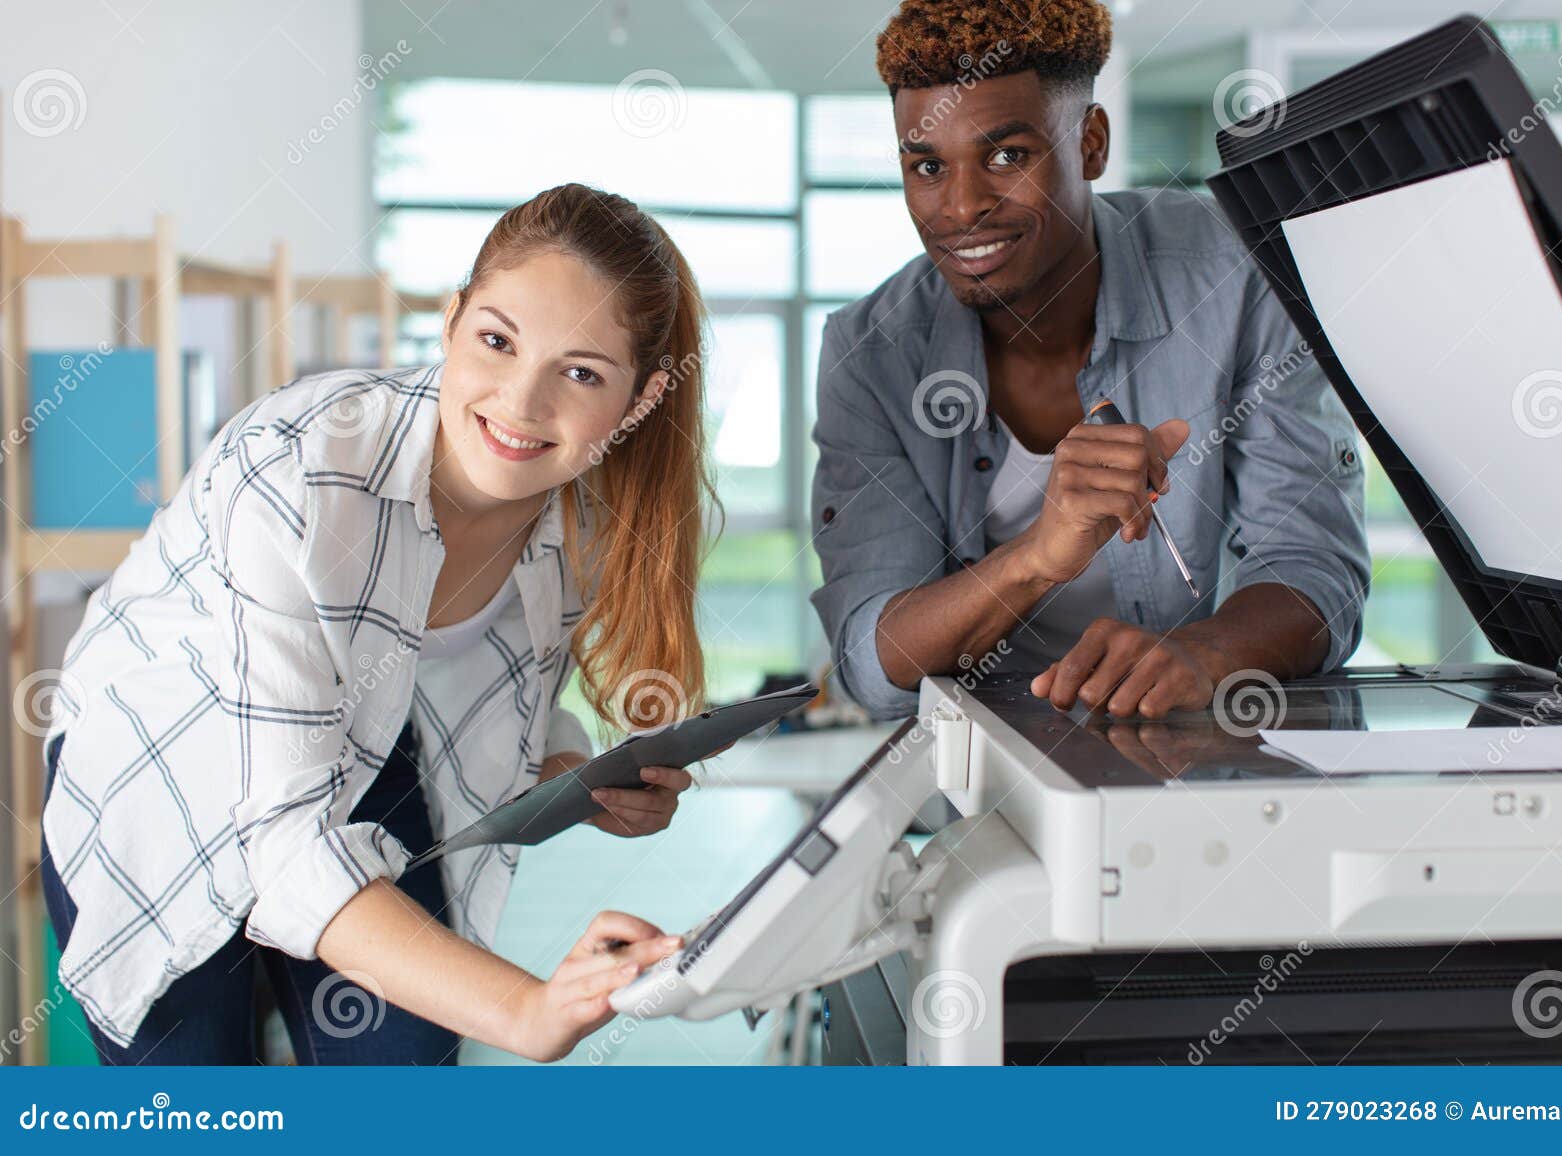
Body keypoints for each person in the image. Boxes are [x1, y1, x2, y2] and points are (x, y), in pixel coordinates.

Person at [40, 183, 715, 1064]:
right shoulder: (298, 468)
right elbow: (286, 846)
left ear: (643, 397)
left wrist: (576, 783)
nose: (521, 402)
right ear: (451, 321)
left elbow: (491, 697)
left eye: (581, 373)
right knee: (198, 1104)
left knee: (402, 1074)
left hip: (360, 746)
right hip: (165, 767)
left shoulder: (584, 522)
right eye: (498, 340)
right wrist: (527, 1012)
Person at [810, 0, 1369, 722]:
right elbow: (872, 659)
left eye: (1007, 156)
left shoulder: (1235, 274)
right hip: (984, 768)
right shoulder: (871, 353)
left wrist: (1206, 654)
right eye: (927, 166)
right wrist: (1035, 556)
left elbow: (1314, 568)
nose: (962, 207)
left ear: (1091, 143)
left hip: (1206, 747)